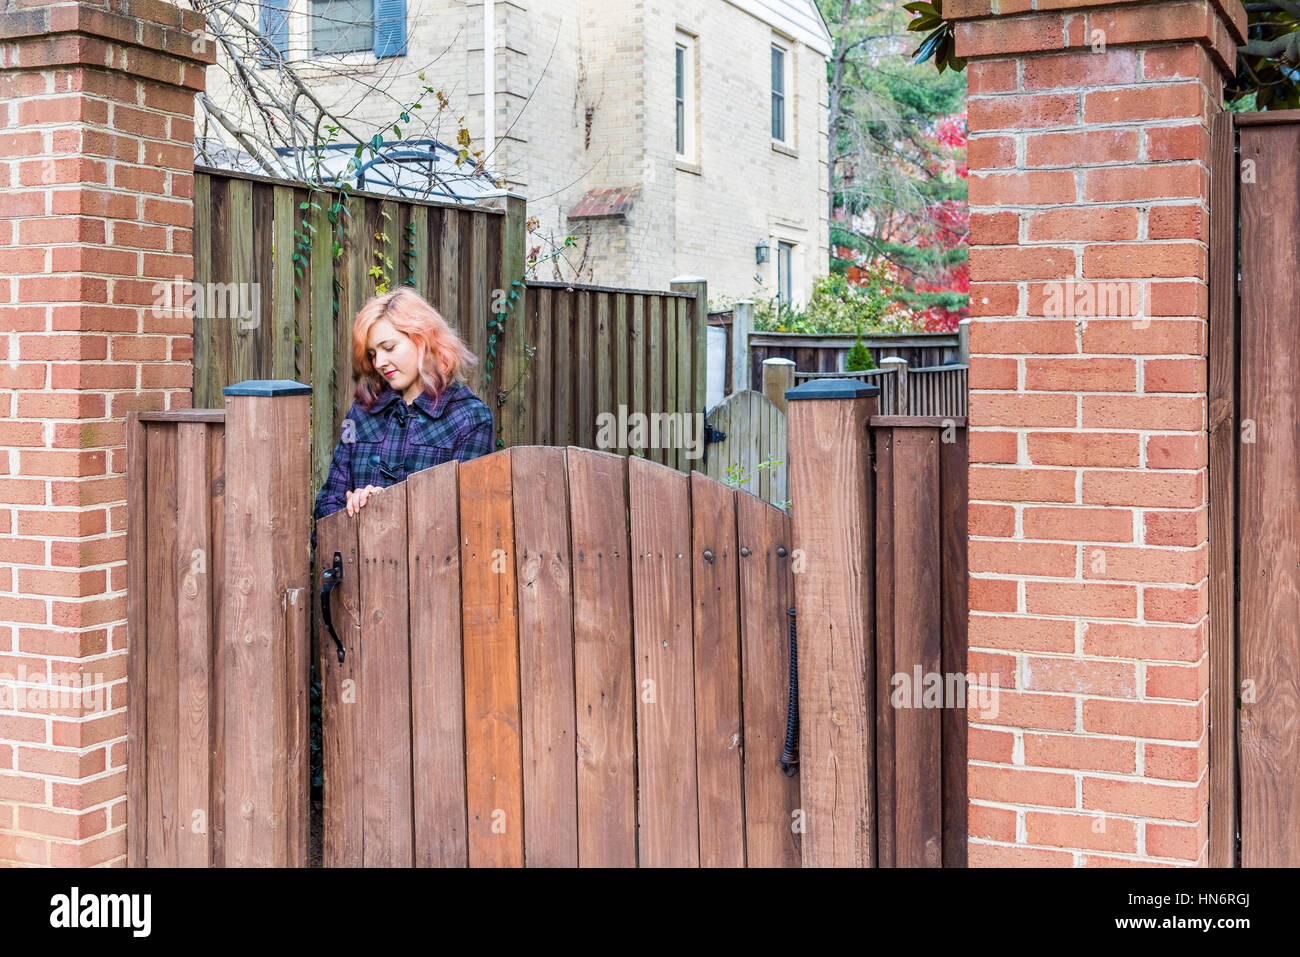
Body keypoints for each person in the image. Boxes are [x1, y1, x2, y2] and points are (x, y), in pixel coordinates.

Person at [312, 288, 495, 528]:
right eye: (372, 354)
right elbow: (327, 505)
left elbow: (468, 519)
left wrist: (388, 507)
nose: (379, 363)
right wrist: (354, 508)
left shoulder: (471, 418)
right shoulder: (360, 414)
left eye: (388, 348)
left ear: (422, 339)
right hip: (359, 561)